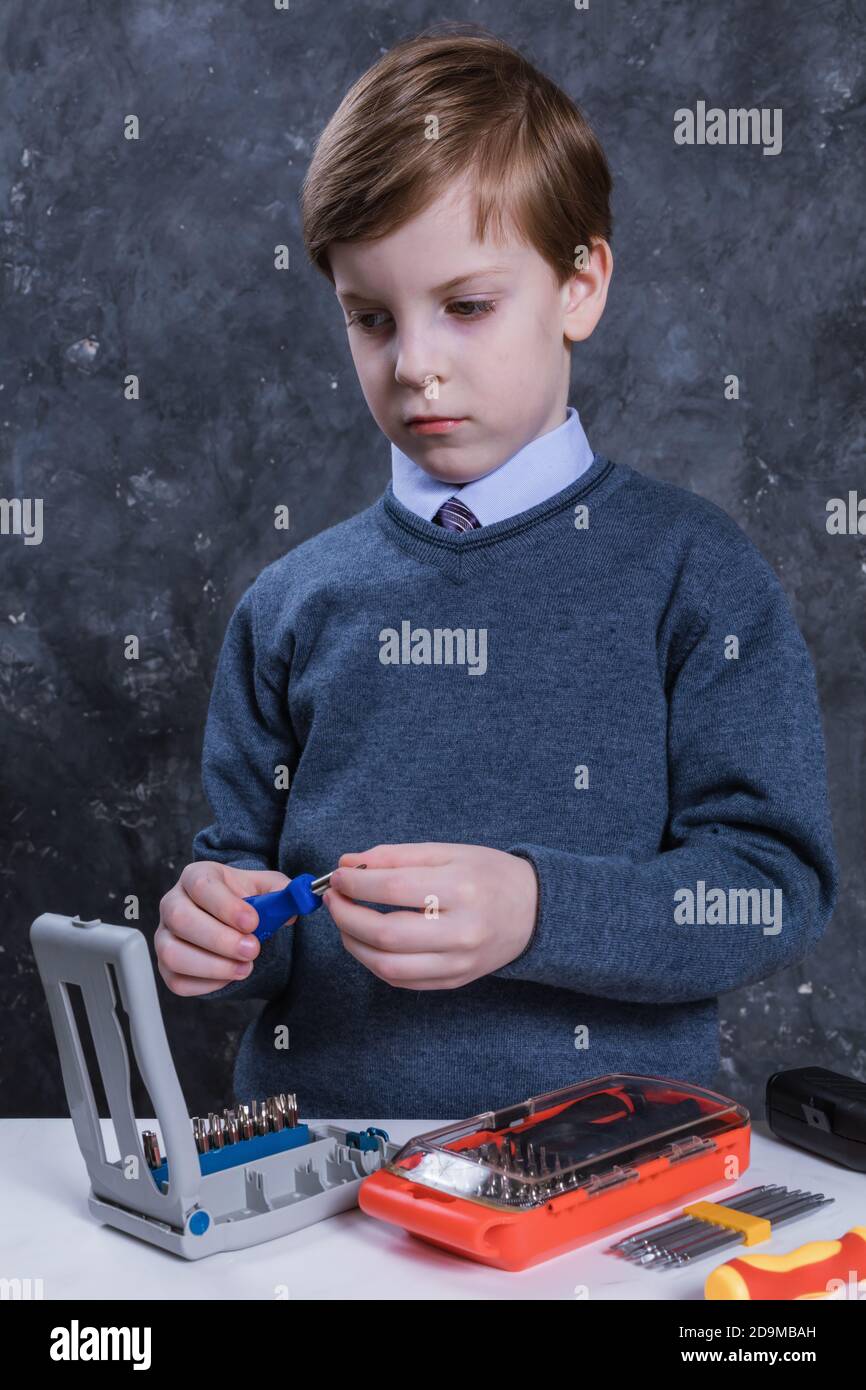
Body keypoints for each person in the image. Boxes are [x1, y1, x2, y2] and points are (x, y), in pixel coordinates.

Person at [156, 29, 838, 1118]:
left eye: (465, 306)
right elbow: (248, 887)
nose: (413, 362)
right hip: (319, 1175)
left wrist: (535, 908)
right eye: (370, 318)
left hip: (609, 1185)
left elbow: (768, 890)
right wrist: (213, 925)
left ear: (578, 286)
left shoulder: (695, 576)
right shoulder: (288, 605)